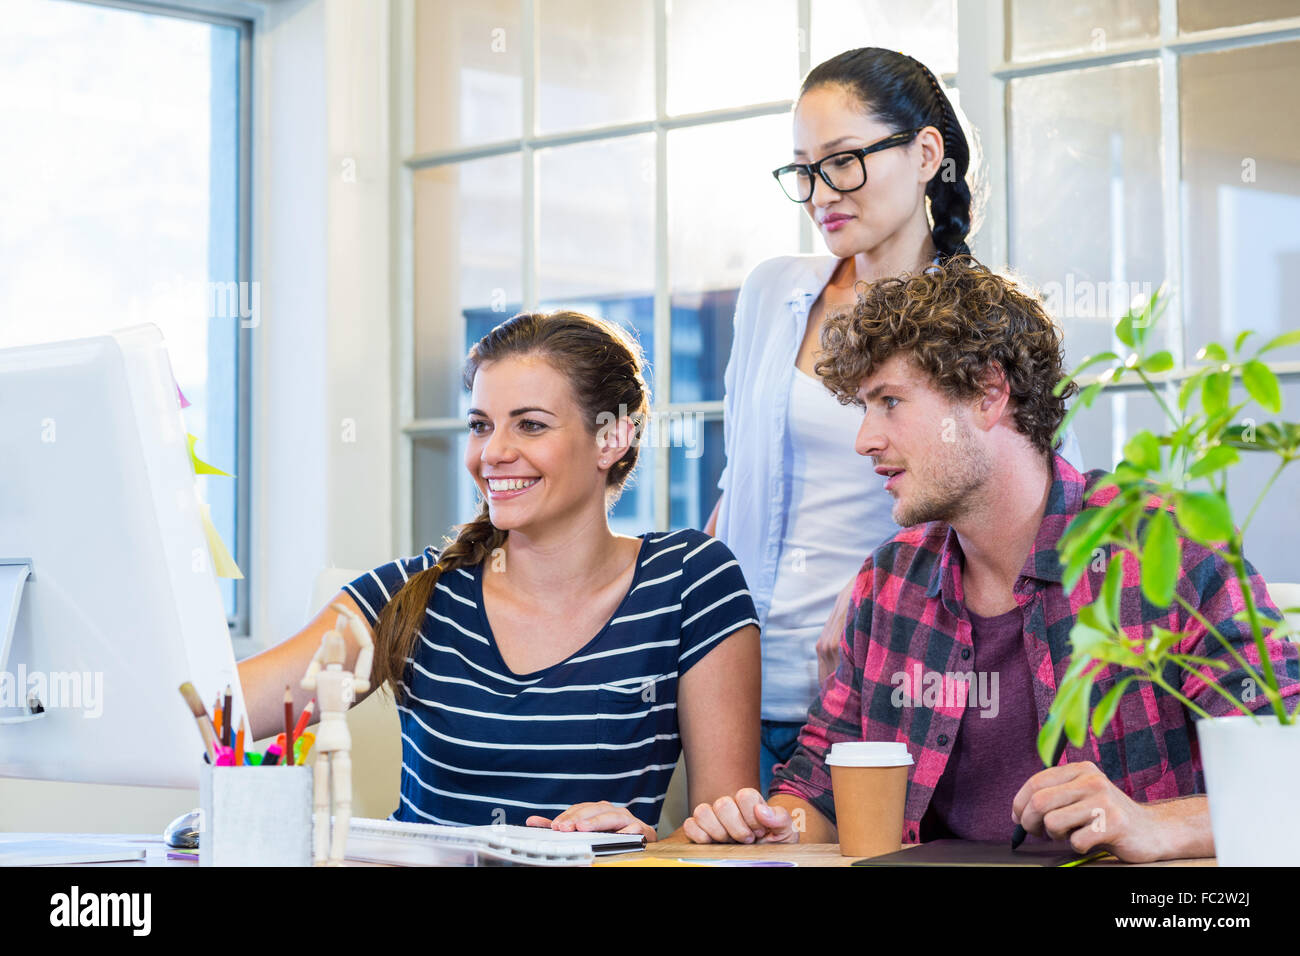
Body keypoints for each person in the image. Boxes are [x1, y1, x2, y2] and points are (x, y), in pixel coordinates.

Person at [684, 258, 1300, 862]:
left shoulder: (1162, 546)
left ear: (988, 393)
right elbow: (820, 784)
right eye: (864, 408)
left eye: (890, 402)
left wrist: (1152, 825)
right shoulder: (890, 580)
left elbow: (1286, 779)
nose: (864, 440)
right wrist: (770, 825)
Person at [705, 47, 1080, 793]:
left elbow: (1014, 497)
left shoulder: (977, 326)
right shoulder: (773, 291)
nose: (820, 193)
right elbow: (738, 482)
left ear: (925, 154)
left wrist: (878, 583)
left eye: (844, 161)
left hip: (871, 684)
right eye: (804, 169)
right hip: (729, 687)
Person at [238, 311, 760, 841]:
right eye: (480, 425)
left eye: (530, 424)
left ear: (610, 439)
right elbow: (221, 709)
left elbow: (726, 836)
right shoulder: (411, 594)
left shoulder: (691, 580)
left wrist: (646, 846)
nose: (493, 453)